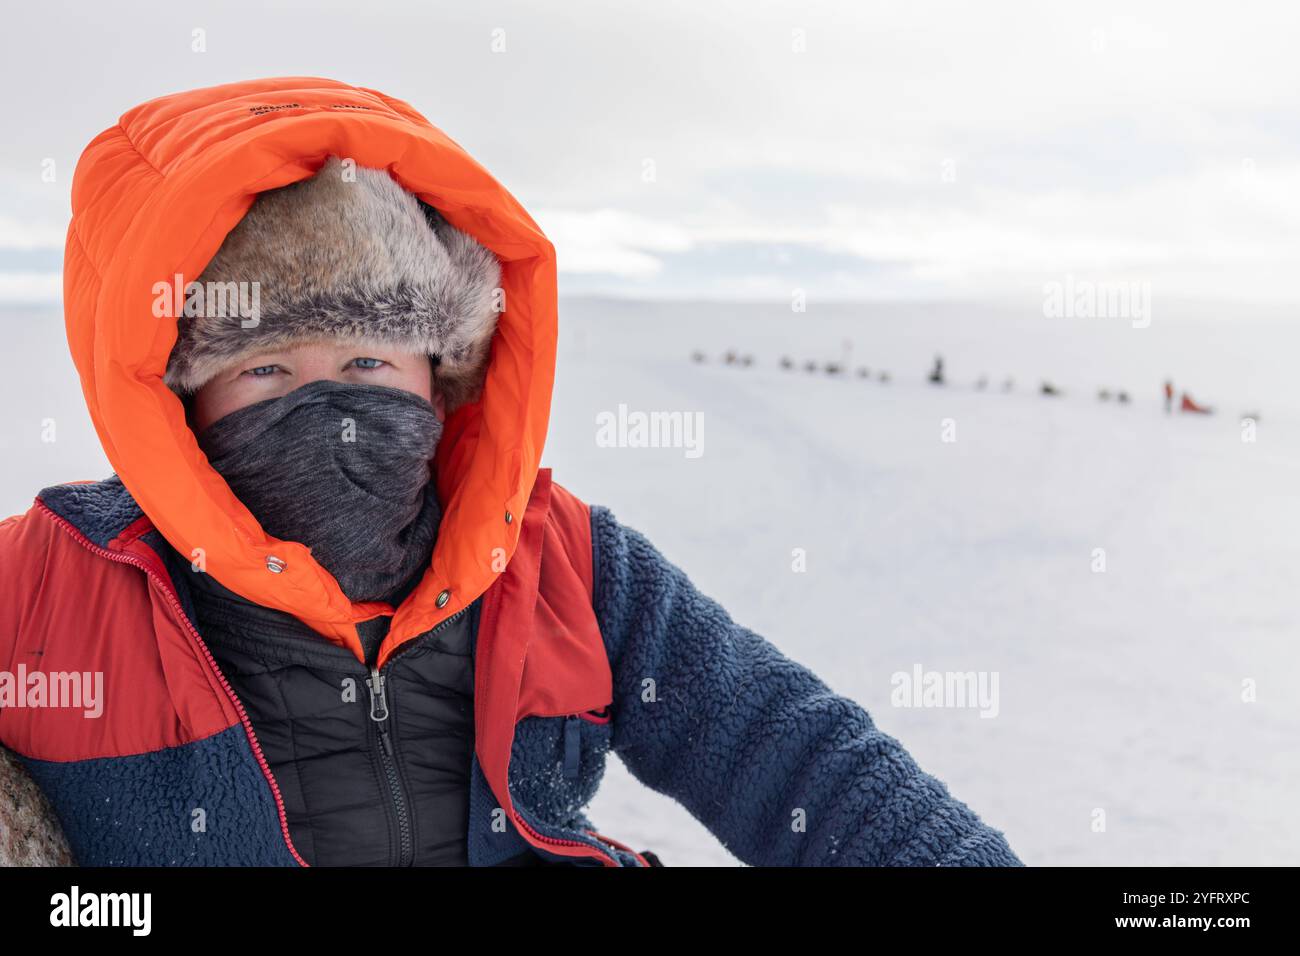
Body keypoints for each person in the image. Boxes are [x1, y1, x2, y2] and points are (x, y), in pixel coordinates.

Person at [0, 78, 1021, 868]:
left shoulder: (558, 563)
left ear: (439, 382)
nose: (334, 411)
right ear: (177, 395)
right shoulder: (54, 585)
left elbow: (788, 750)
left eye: (368, 361)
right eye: (266, 368)